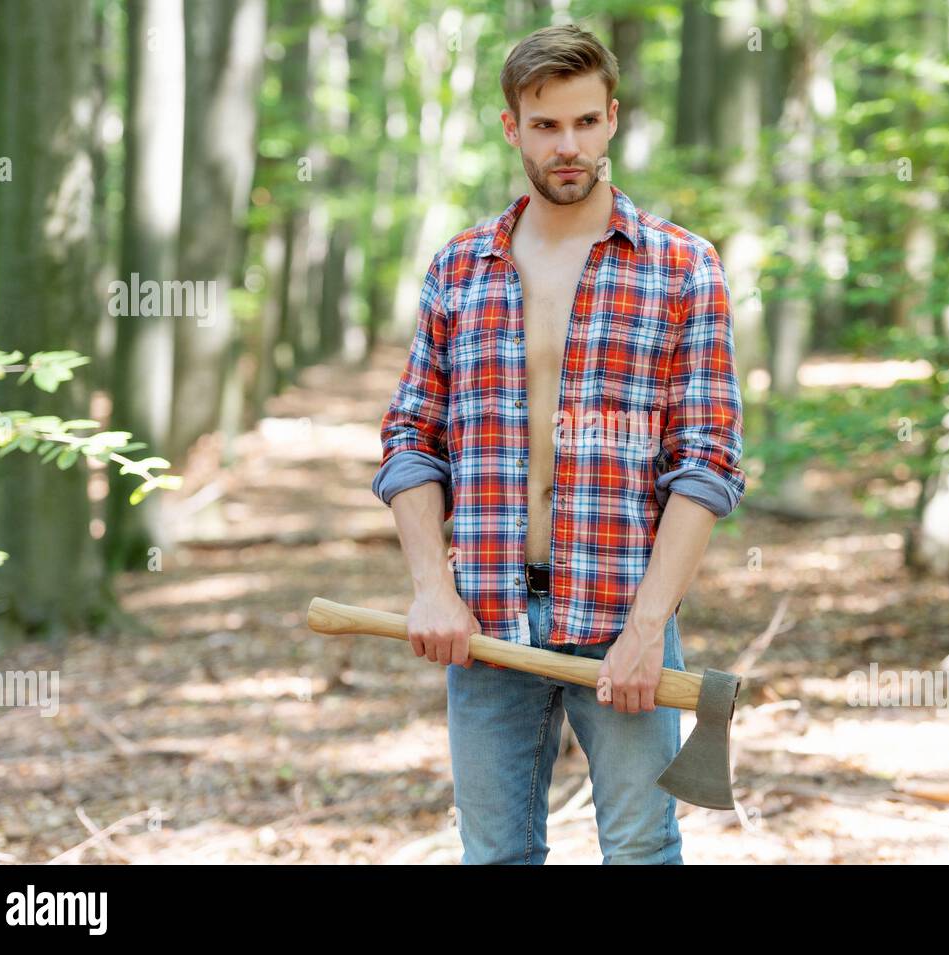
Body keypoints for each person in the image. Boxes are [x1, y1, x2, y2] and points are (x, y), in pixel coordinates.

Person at [372, 22, 746, 864]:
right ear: (512, 128)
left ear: (612, 118)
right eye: (545, 125)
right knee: (496, 855)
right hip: (486, 618)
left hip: (623, 615)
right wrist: (433, 588)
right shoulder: (460, 269)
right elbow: (408, 436)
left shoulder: (682, 268)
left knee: (642, 849)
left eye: (584, 121)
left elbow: (707, 459)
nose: (567, 145)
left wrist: (648, 629)